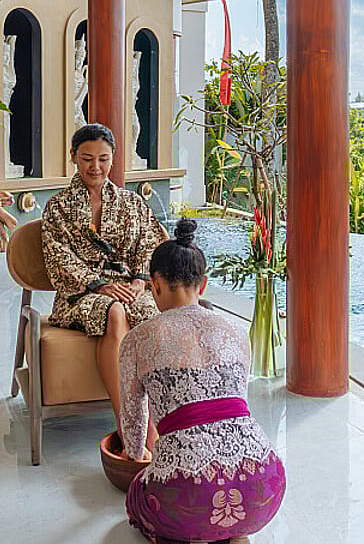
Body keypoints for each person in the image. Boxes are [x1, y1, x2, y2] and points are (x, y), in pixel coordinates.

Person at [119, 219, 286, 544]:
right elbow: (235, 413)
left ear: (154, 284)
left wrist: (138, 459)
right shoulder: (238, 332)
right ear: (204, 284)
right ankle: (235, 532)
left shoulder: (138, 340)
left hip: (186, 495)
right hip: (264, 488)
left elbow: (134, 433)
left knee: (138, 498)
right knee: (227, 504)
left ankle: (194, 533)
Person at [42, 123, 167, 442]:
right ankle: (130, 424)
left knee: (149, 316)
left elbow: (150, 243)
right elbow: (58, 255)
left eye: (103, 159)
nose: (95, 167)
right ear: (73, 157)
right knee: (114, 312)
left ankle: (155, 418)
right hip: (80, 294)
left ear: (113, 159)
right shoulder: (57, 206)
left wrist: (140, 279)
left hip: (130, 286)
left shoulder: (131, 202)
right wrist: (98, 284)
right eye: (86, 158)